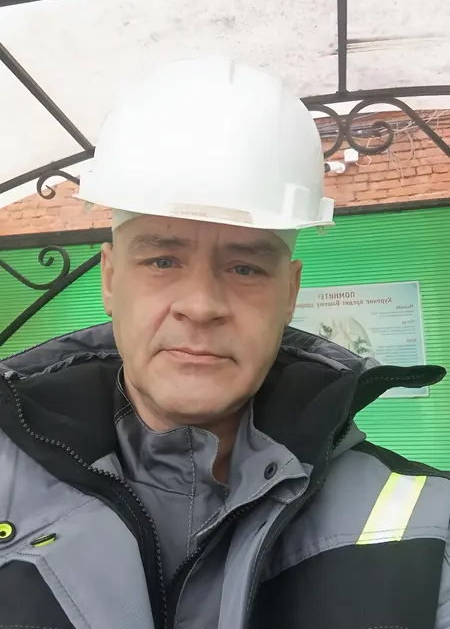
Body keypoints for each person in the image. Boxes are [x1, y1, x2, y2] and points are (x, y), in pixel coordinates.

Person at [0, 56, 448, 629]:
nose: (202, 304)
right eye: (163, 260)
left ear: (290, 293)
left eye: (245, 268)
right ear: (110, 279)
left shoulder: (430, 531)